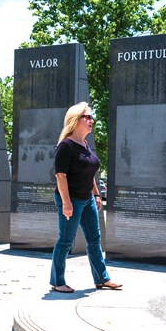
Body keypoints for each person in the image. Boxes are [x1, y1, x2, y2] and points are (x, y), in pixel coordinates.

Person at [50, 102, 121, 293]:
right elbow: (60, 176)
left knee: (94, 239)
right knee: (65, 240)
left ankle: (102, 279)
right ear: (75, 120)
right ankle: (57, 281)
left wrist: (96, 194)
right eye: (87, 117)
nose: (91, 120)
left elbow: (89, 174)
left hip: (87, 199)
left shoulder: (85, 144)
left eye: (91, 117)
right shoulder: (66, 146)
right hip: (70, 199)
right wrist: (66, 203)